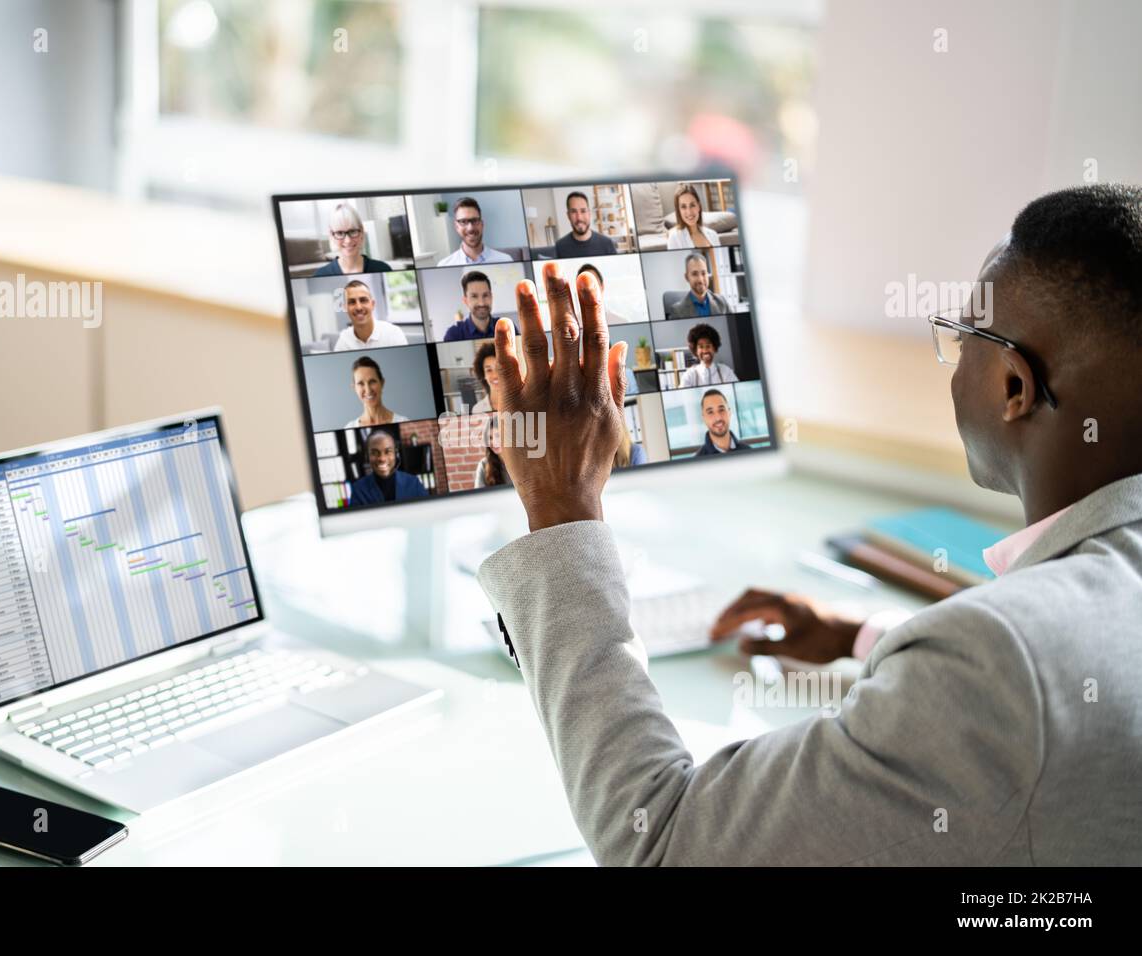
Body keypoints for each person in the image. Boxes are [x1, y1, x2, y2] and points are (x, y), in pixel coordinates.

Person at [475, 184, 1142, 865]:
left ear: (1014, 388)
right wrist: (870, 638)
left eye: (966, 332)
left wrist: (561, 507)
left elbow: (662, 843)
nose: (955, 351)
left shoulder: (997, 657)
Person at [314, 203, 394, 276]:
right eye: (340, 233)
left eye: (352, 231)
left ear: (361, 231)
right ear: (331, 235)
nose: (348, 240)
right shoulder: (321, 274)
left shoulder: (383, 268)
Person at [349, 430, 427, 505]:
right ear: (367, 457)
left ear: (396, 454)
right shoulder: (358, 490)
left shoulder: (413, 483)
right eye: (374, 453)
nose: (382, 459)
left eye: (388, 451)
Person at [333, 280, 409, 350]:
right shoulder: (344, 339)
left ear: (372, 304)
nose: (358, 307)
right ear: (345, 308)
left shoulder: (393, 334)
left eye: (363, 300)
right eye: (352, 302)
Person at [438, 197, 514, 266]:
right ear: (456, 227)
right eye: (463, 221)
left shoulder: (505, 260)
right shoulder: (444, 265)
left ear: (482, 224)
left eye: (474, 220)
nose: (470, 228)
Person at [344, 356, 410, 428]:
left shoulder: (404, 422)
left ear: (382, 383)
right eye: (361, 383)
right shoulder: (349, 427)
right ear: (354, 388)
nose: (368, 390)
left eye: (372, 382)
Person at [443, 271, 505, 342]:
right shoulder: (454, 335)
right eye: (474, 296)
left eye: (485, 295)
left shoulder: (506, 327)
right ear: (465, 301)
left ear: (491, 297)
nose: (481, 303)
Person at [553, 191, 617, 258]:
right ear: (568, 216)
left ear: (589, 213)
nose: (579, 217)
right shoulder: (560, 247)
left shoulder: (607, 244)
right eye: (573, 212)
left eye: (583, 211)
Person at [668, 254, 730, 318]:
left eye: (703, 273)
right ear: (687, 277)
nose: (700, 280)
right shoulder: (677, 311)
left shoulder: (722, 302)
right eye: (694, 274)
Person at [693, 389, 752, 455]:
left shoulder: (748, 451)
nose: (718, 417)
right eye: (710, 412)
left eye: (721, 410)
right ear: (704, 418)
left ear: (729, 413)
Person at [665, 182, 722, 250]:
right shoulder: (674, 237)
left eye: (692, 205)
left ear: (699, 206)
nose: (689, 212)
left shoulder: (713, 235)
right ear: (678, 210)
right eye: (683, 207)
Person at [470, 340, 499, 413]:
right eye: (489, 370)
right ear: (483, 375)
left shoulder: (521, 404)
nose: (495, 375)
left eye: (499, 368)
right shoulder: (477, 409)